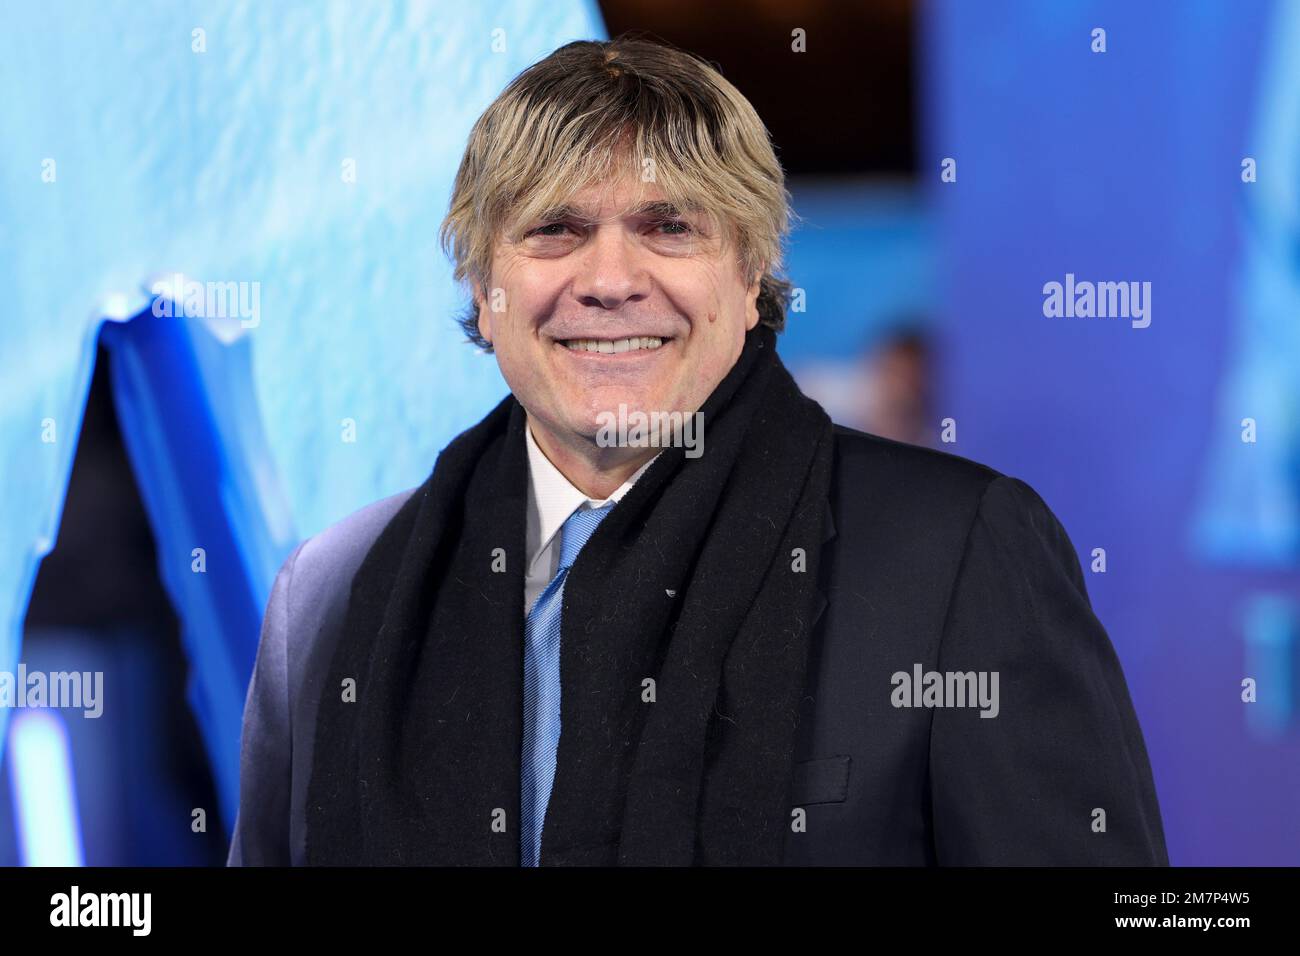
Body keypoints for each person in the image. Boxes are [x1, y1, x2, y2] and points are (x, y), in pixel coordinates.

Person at [227, 35, 1168, 866]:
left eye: (669, 227)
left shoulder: (959, 554)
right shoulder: (329, 596)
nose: (608, 281)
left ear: (751, 274)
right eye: (555, 229)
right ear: (482, 287)